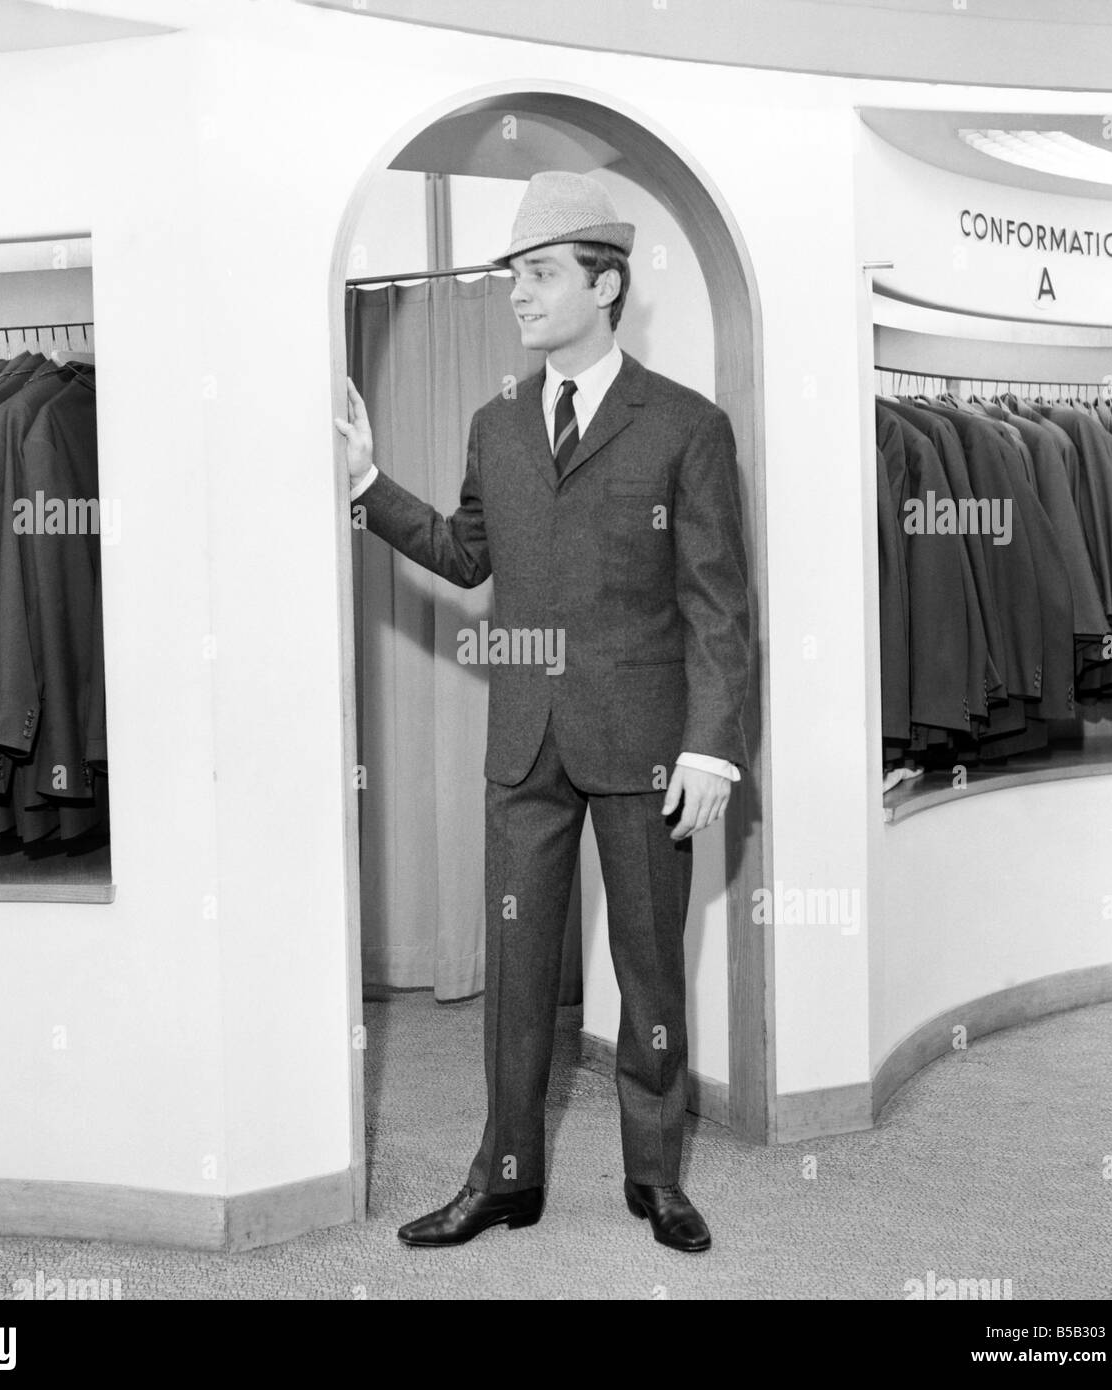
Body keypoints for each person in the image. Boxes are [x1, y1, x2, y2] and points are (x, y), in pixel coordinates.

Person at [334, 171, 751, 1253]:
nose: (516, 293)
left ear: (604, 283)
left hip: (650, 749)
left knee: (650, 965)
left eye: (539, 273)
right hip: (523, 746)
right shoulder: (497, 423)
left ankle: (655, 1178)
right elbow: (468, 557)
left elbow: (717, 605)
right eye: (511, 274)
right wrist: (370, 482)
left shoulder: (686, 428)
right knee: (518, 971)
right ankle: (507, 1177)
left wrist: (712, 745)